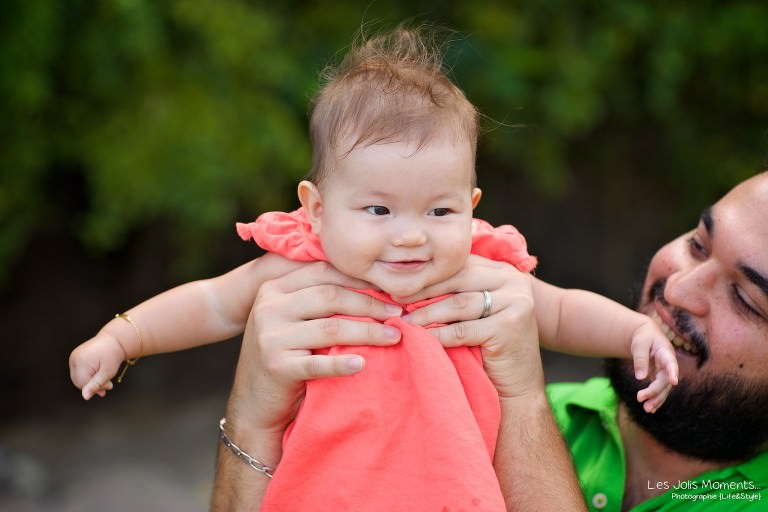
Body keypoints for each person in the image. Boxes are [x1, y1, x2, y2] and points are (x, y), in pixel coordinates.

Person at [69, 26, 677, 510]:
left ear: (471, 208)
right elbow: (210, 303)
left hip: (458, 490)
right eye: (378, 209)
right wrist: (124, 337)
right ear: (317, 208)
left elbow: (564, 310)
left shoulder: (480, 271)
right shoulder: (298, 264)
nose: (410, 234)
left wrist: (634, 332)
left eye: (439, 209)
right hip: (326, 491)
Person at [211, 171, 768, 511]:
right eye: (698, 243)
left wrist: (521, 397)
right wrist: (254, 425)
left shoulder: (525, 413)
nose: (679, 288)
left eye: (747, 300)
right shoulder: (521, 417)